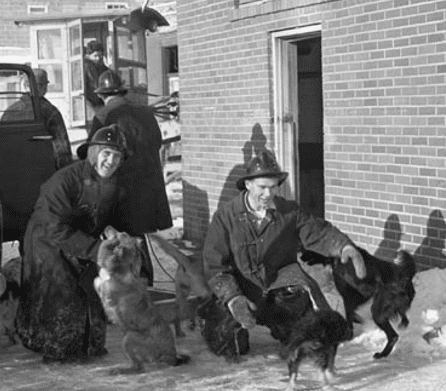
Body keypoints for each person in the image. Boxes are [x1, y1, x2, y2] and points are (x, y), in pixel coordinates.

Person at [201, 150, 366, 350]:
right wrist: (232, 297)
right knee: (228, 346)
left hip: (277, 287)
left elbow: (317, 231)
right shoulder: (225, 217)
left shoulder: (289, 212)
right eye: (262, 187)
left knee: (302, 339)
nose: (268, 194)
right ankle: (221, 321)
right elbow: (214, 265)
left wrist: (344, 246)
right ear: (248, 184)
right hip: (242, 287)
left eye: (273, 187)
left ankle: (284, 324)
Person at [15, 125, 128, 363]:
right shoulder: (64, 180)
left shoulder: (115, 184)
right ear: (94, 153)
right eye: (106, 153)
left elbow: (110, 216)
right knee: (60, 294)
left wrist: (111, 230)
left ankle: (89, 346)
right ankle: (56, 350)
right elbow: (54, 227)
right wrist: (96, 250)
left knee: (90, 291)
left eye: (117, 156)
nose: (111, 161)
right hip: (47, 243)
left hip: (81, 242)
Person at [80, 69, 172, 284]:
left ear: (102, 95)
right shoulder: (146, 113)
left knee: (123, 242)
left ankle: (130, 286)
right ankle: (145, 283)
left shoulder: (103, 116)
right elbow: (157, 143)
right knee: (137, 239)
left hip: (121, 191)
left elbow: (94, 153)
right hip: (149, 190)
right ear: (122, 91)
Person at [1, 68, 73, 170]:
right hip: (43, 169)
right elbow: (61, 149)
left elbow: (1, 143)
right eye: (43, 85)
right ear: (44, 87)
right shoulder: (50, 111)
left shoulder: (10, 111)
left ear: (25, 85)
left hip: (13, 168)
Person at [83, 40, 109, 111]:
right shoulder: (88, 66)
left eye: (100, 56)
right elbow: (95, 85)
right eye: (95, 56)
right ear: (88, 55)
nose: (98, 58)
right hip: (93, 102)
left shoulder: (101, 67)